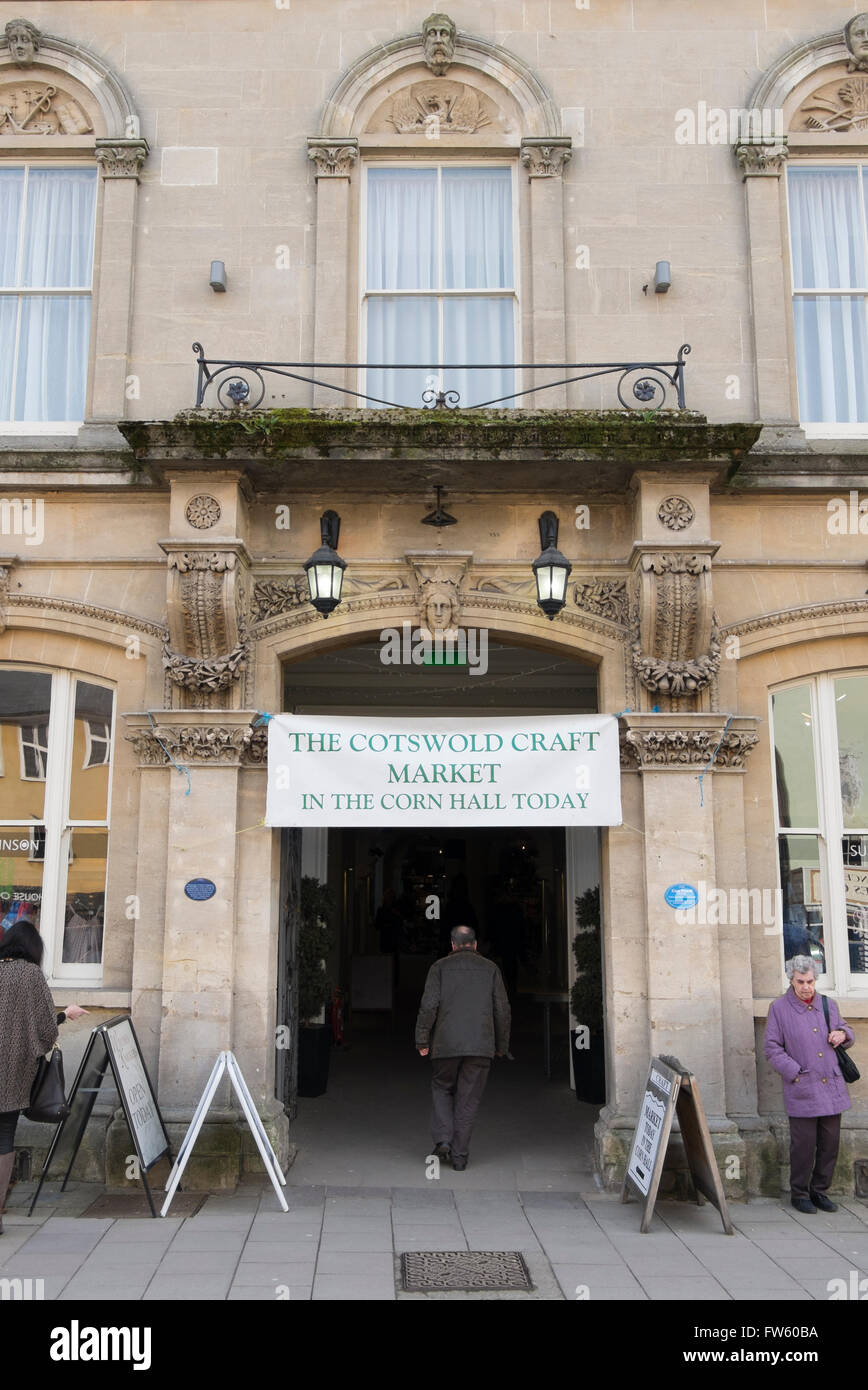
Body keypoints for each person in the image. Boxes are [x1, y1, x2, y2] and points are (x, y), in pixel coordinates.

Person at [0, 921, 88, 1231]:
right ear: (33, 948)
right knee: (5, 1136)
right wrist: (65, 1015)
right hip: (11, 1073)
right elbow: (45, 1029)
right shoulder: (30, 975)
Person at [764, 954, 855, 1214]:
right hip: (802, 1085)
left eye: (811, 981)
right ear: (791, 981)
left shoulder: (828, 1004)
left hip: (832, 1085)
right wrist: (795, 1071)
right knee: (803, 1145)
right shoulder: (779, 1008)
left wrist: (843, 1034)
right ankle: (800, 1193)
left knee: (830, 1144)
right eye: (801, 981)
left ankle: (820, 1191)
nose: (806, 987)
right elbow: (772, 1048)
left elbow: (847, 1031)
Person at [415, 924, 510, 1171]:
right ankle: (459, 1158)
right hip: (480, 1045)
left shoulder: (439, 968)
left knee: (441, 1087)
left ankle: (444, 1139)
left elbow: (428, 1006)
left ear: (453, 945)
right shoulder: (491, 969)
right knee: (468, 1100)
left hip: (445, 1043)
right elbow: (502, 1010)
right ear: (475, 945)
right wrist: (502, 1045)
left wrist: (422, 1040)